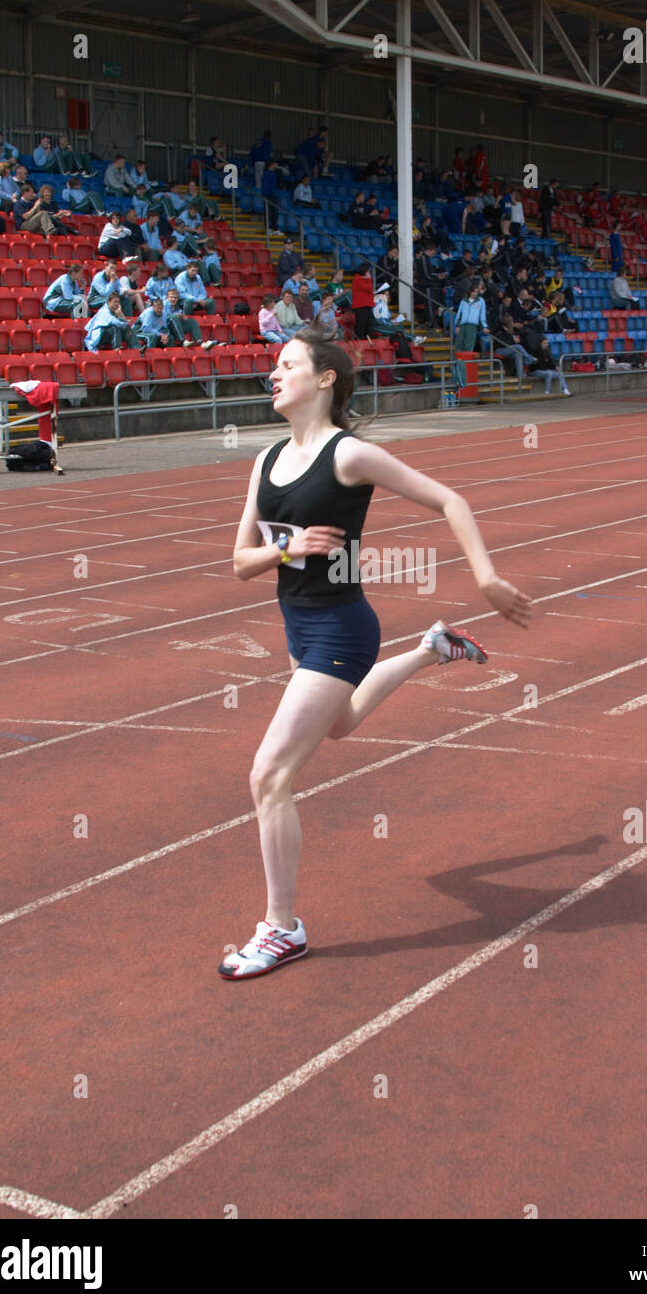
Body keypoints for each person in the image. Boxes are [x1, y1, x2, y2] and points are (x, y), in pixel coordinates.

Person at [218, 327, 531, 979]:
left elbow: (449, 498)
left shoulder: (348, 456)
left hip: (341, 627)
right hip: (296, 623)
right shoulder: (266, 458)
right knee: (340, 723)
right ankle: (430, 648)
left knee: (269, 774)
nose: (272, 375)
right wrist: (289, 550)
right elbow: (240, 563)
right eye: (272, 367)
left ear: (325, 378)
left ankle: (281, 930)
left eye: (286, 365)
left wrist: (484, 577)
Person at [453, 283, 489, 351]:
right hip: (462, 325)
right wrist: (457, 325)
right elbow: (460, 314)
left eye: (476, 292)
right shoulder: (464, 301)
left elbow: (482, 315)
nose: (475, 293)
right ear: (470, 292)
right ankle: (458, 361)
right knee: (458, 344)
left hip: (472, 326)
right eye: (473, 291)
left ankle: (467, 361)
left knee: (469, 345)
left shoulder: (481, 301)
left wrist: (484, 326)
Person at [350, 261, 375, 340]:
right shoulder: (358, 280)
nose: (369, 273)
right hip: (361, 306)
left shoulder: (362, 279)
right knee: (361, 326)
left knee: (368, 325)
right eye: (368, 271)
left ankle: (367, 341)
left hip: (366, 305)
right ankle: (359, 341)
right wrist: (369, 279)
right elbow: (369, 288)